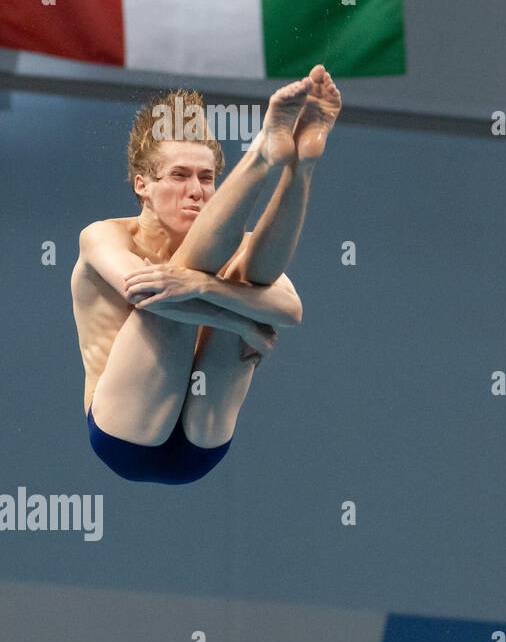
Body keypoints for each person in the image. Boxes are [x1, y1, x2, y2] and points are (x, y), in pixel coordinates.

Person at [71, 64, 341, 483]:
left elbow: (290, 310)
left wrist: (200, 286)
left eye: (207, 177)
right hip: (125, 433)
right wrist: (238, 319)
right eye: (179, 175)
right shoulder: (103, 237)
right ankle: (262, 154)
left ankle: (299, 166)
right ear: (142, 184)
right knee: (167, 291)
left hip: (203, 442)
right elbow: (147, 294)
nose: (196, 190)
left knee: (242, 276)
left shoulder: (234, 250)